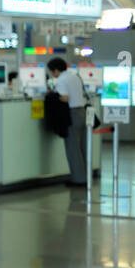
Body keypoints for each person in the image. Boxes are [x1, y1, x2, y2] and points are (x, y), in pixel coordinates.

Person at [47, 56, 87, 185]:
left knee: (72, 149)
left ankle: (78, 179)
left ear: (56, 70)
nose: (52, 74)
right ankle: (85, 176)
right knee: (82, 148)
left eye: (51, 71)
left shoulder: (61, 80)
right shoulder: (75, 76)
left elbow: (65, 98)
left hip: (72, 114)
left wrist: (53, 96)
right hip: (82, 112)